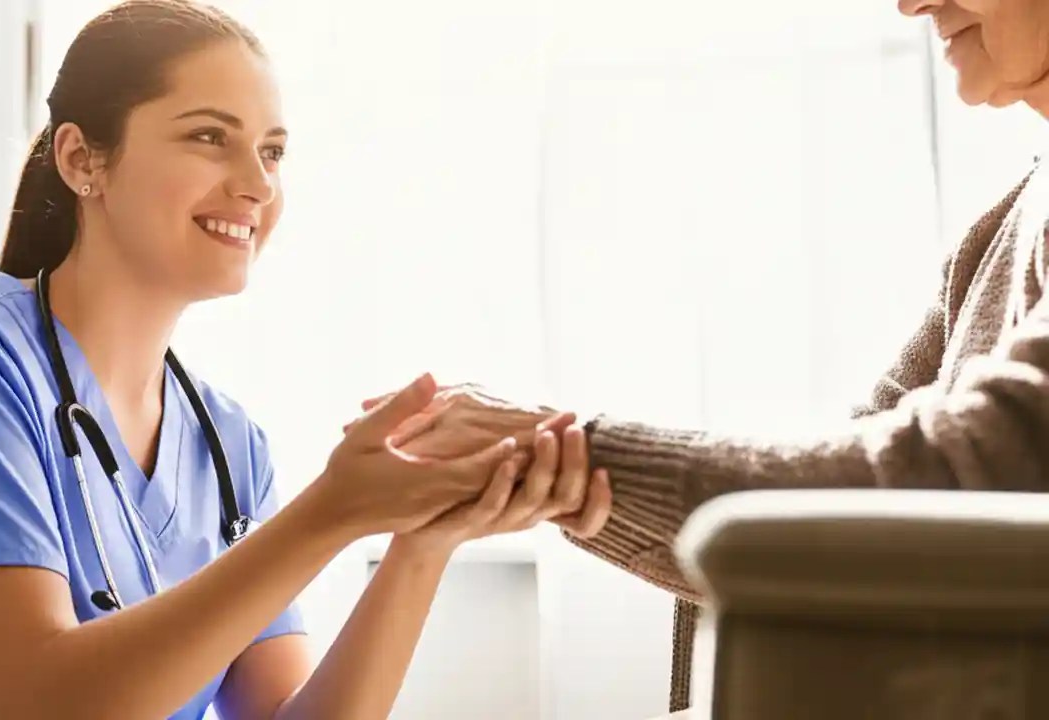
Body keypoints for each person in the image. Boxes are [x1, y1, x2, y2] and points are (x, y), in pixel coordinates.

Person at [0, 2, 613, 718]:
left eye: (274, 150)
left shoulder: (228, 444)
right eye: (210, 137)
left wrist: (420, 544)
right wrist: (331, 511)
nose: (257, 183)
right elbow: (41, 702)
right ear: (81, 160)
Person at [355, 0, 1049, 717]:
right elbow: (842, 508)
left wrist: (557, 448)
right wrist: (560, 469)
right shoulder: (996, 231)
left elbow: (969, 474)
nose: (912, 3)